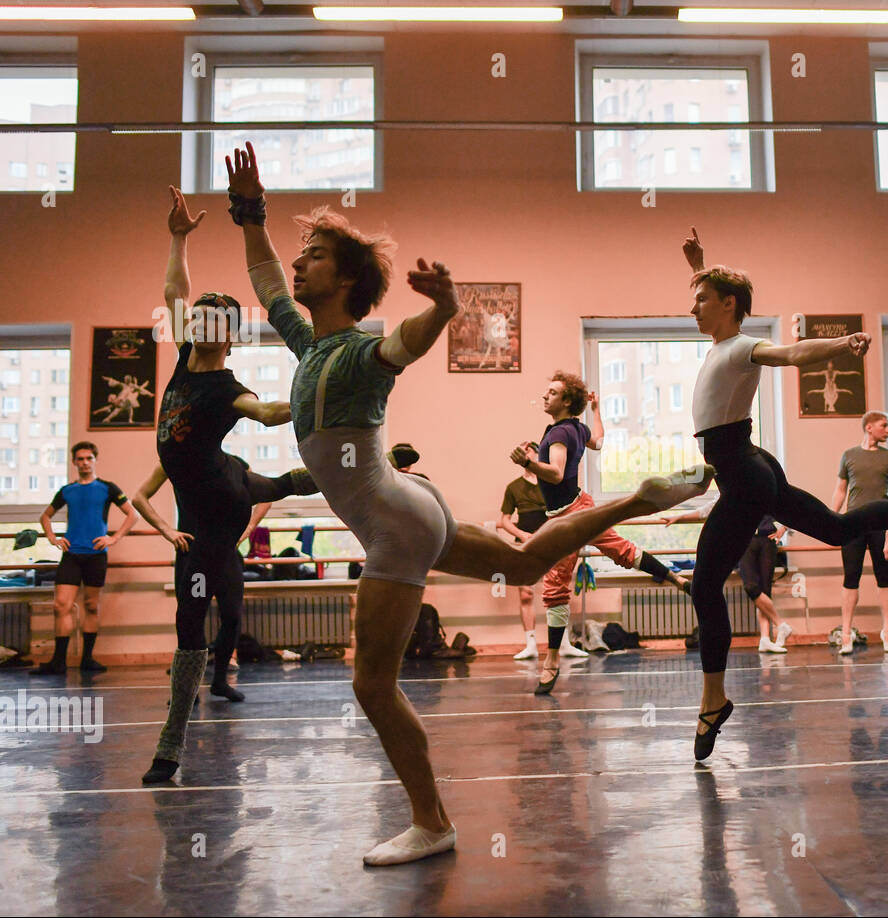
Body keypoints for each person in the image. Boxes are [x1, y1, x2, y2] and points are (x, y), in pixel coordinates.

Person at [229, 142, 710, 864]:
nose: (299, 265)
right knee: (524, 565)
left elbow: (407, 343)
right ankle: (633, 500)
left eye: (316, 254)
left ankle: (432, 820)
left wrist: (447, 305)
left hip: (395, 526)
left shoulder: (359, 354)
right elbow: (265, 277)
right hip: (408, 506)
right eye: (303, 254)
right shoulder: (308, 345)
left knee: (371, 682)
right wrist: (249, 212)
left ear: (349, 279)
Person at [681, 227, 888, 761]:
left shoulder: (742, 346)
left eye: (700, 299)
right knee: (834, 529)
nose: (692, 307)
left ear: (729, 306)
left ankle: (713, 700)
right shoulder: (722, 341)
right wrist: (699, 265)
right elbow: (712, 295)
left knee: (705, 585)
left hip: (741, 471)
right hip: (751, 463)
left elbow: (791, 352)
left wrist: (840, 343)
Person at [136, 184, 318, 786]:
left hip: (218, 512)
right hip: (215, 486)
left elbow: (267, 414)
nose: (202, 323)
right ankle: (176, 729)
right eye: (200, 319)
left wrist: (315, 390)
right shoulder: (186, 353)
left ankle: (170, 741)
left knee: (198, 615)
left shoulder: (228, 388)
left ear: (231, 333)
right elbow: (173, 291)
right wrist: (178, 238)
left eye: (218, 321)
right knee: (277, 483)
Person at [514, 373, 692, 694]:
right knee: (622, 550)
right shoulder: (576, 428)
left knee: (555, 586)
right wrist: (596, 410)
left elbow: (554, 474)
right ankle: (677, 579)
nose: (544, 396)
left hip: (568, 517)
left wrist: (528, 462)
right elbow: (599, 440)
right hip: (582, 506)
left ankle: (552, 659)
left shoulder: (559, 433)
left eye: (551, 392)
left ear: (566, 401)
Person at [34, 442, 138, 675]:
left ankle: (87, 659)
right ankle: (58, 662)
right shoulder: (67, 490)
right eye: (80, 459)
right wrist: (52, 538)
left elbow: (133, 514)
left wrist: (114, 538)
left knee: (91, 605)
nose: (84, 463)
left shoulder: (108, 488)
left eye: (88, 458)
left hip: (95, 556)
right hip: (71, 555)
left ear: (95, 460)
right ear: (74, 462)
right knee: (61, 605)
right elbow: (45, 516)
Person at [664, 503, 793, 653]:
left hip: (767, 539)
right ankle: (781, 624)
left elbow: (788, 507)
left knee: (765, 589)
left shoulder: (766, 487)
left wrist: (783, 528)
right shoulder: (734, 489)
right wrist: (679, 516)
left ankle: (765, 639)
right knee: (751, 586)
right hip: (745, 540)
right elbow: (705, 510)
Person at [830, 410, 888, 656]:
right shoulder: (849, 456)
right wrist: (830, 521)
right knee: (851, 578)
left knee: (884, 578)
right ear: (869, 427)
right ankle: (846, 635)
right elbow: (840, 491)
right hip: (853, 524)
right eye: (884, 426)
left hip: (881, 522)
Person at [497, 448, 547, 660]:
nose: (523, 453)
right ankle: (531, 644)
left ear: (536, 454)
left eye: (528, 449)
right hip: (525, 541)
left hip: (549, 539)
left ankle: (563, 643)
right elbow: (505, 520)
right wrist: (522, 534)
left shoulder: (550, 482)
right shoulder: (513, 487)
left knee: (558, 592)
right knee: (526, 593)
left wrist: (550, 534)